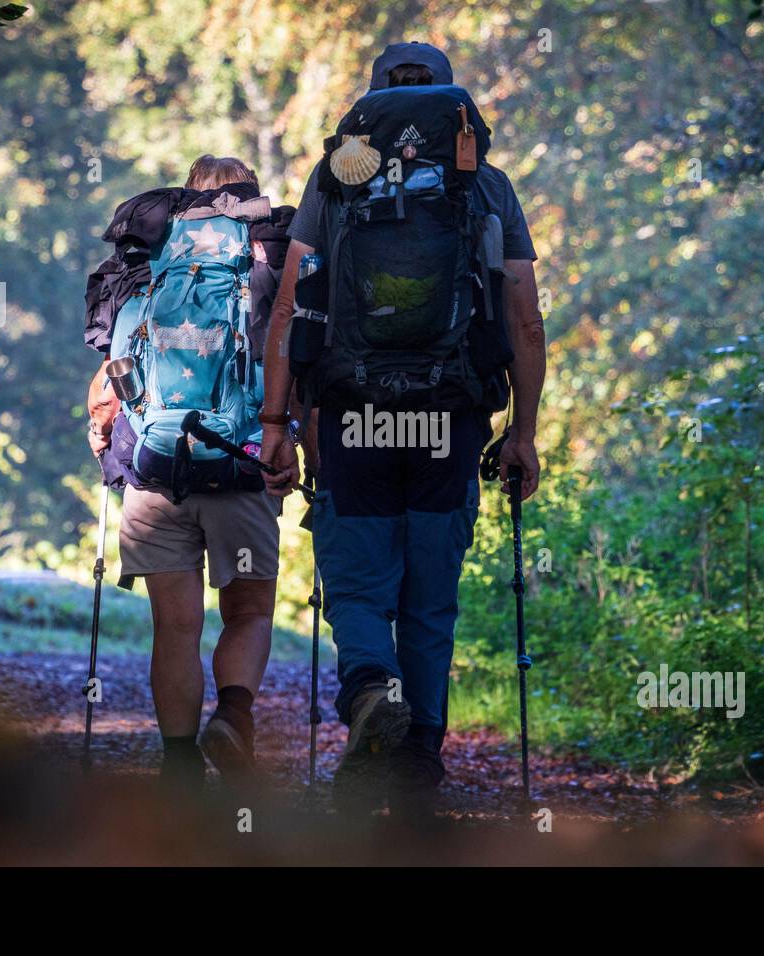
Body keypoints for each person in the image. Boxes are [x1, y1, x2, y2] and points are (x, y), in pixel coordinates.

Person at [258, 43, 546, 815]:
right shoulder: (484, 184)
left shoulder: (336, 181)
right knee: (428, 596)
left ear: (372, 100)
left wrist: (277, 420)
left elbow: (290, 306)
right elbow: (523, 316)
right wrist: (522, 431)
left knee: (355, 582)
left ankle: (369, 696)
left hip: (352, 413)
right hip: (450, 417)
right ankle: (418, 755)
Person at [86, 155, 293, 790]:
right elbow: (293, 363)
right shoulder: (269, 272)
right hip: (242, 470)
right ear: (250, 199)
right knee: (250, 612)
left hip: (157, 478)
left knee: (175, 628)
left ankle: (177, 768)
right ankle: (232, 716)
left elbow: (107, 391)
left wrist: (102, 437)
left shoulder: (148, 273)